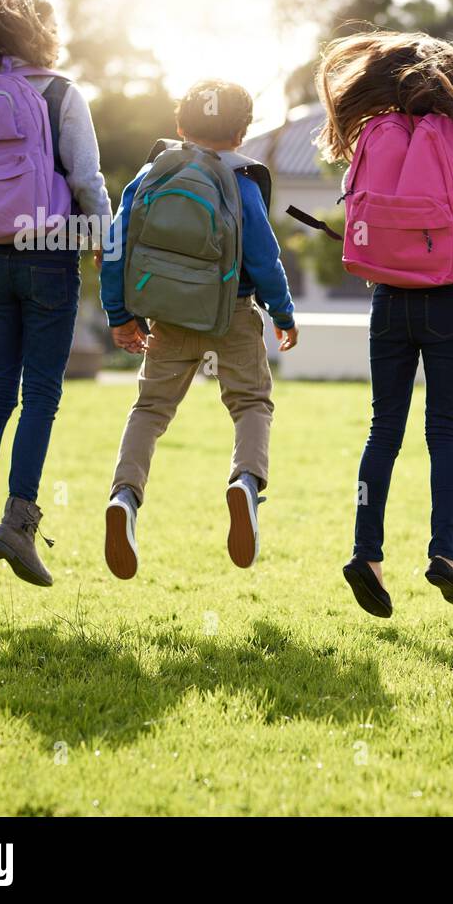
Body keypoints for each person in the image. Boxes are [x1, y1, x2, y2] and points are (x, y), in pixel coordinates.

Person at [316, 32, 453, 618]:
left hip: (388, 299)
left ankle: (367, 554)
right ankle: (443, 553)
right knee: (446, 431)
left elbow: (355, 199)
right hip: (449, 300)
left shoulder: (373, 137)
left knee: (383, 429)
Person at [0, 0, 110, 589]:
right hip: (49, 256)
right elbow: (86, 178)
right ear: (42, 34)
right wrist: (102, 243)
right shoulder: (59, 93)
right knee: (40, 395)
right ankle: (17, 525)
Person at [100, 80, 297, 579]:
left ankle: (125, 496)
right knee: (251, 402)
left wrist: (120, 314)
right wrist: (283, 313)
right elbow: (264, 257)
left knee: (149, 409)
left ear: (180, 126)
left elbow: (115, 246)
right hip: (231, 312)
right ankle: (246, 484)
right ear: (240, 134)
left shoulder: (151, 174)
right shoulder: (243, 182)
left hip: (167, 317)